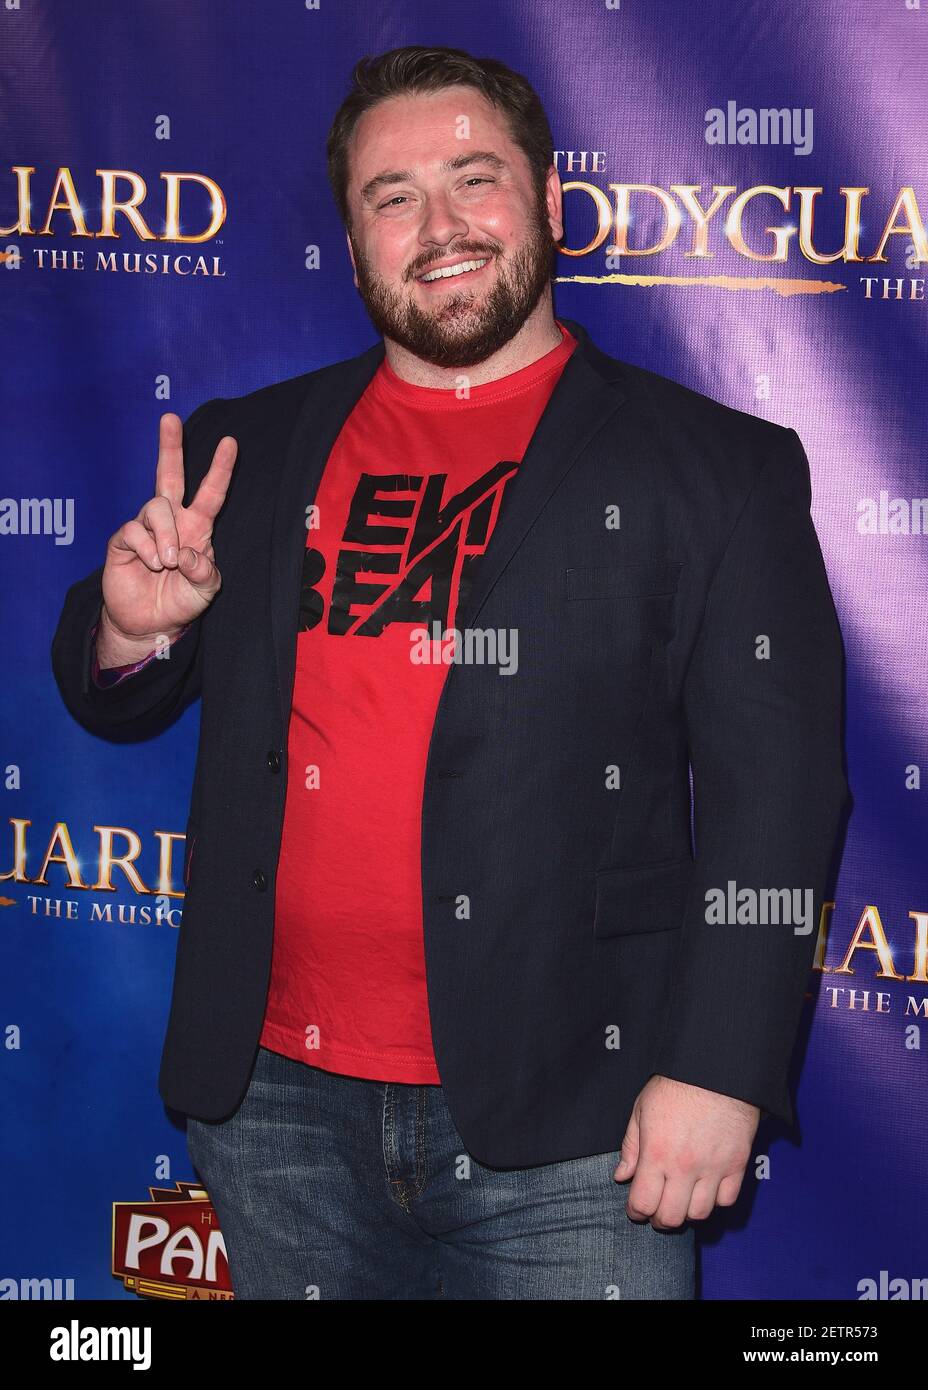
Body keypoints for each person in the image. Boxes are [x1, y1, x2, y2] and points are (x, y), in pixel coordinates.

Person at [52, 45, 850, 1300]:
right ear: (356, 239)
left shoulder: (716, 468)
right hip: (276, 1112)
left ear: (545, 200)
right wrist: (137, 624)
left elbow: (780, 793)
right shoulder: (241, 450)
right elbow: (110, 687)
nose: (439, 227)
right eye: (392, 196)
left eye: (473, 180)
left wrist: (724, 1064)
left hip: (582, 1124)